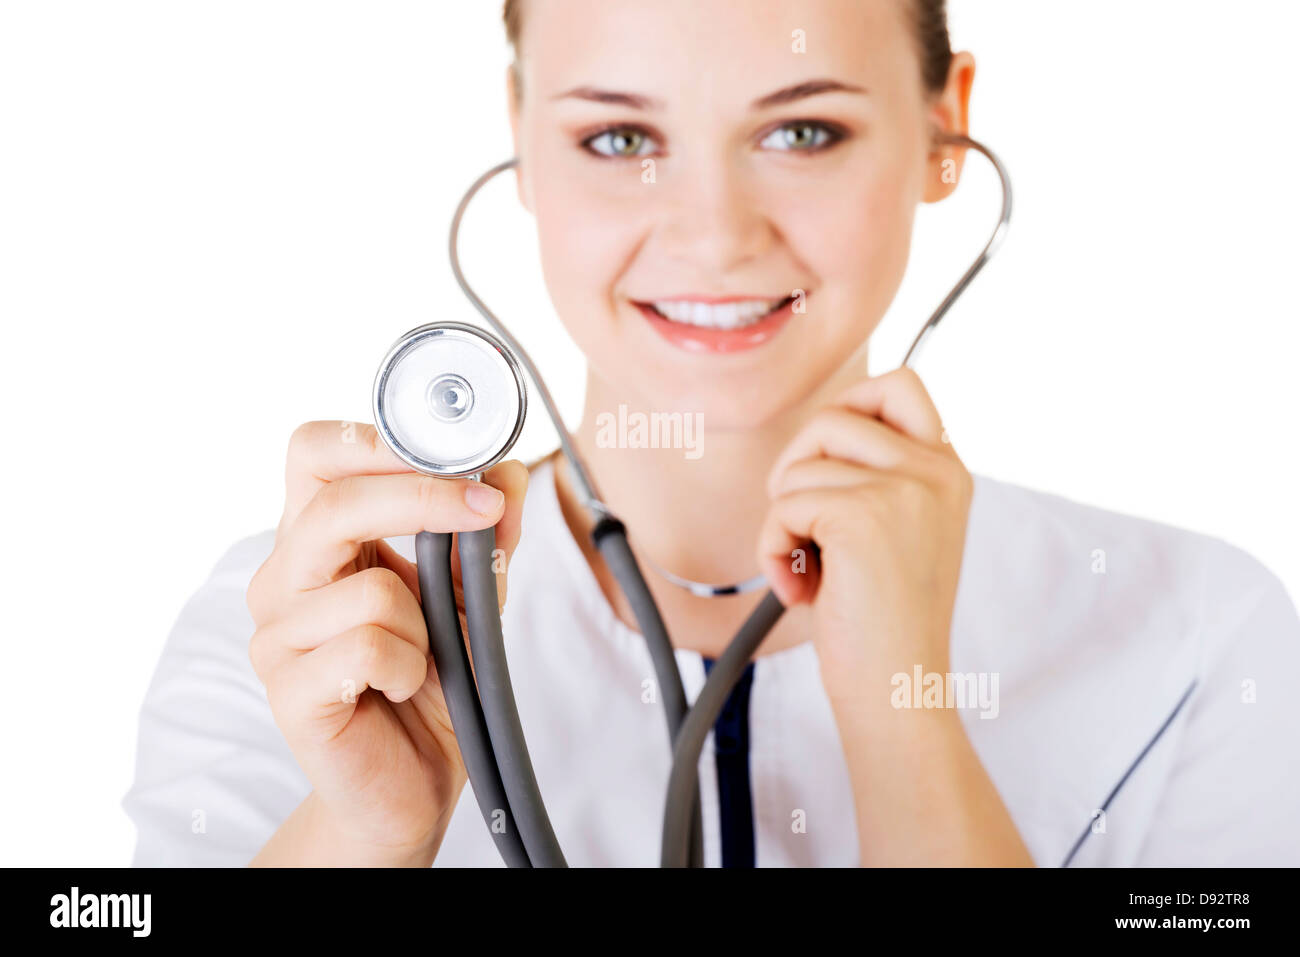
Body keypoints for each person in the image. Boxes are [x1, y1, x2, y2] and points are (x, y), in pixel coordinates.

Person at [124, 0, 1300, 867]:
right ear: (522, 136)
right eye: (620, 140)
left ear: (945, 132)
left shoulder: (1195, 645)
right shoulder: (306, 630)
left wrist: (905, 723)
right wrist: (363, 830)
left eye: (800, 134)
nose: (712, 235)